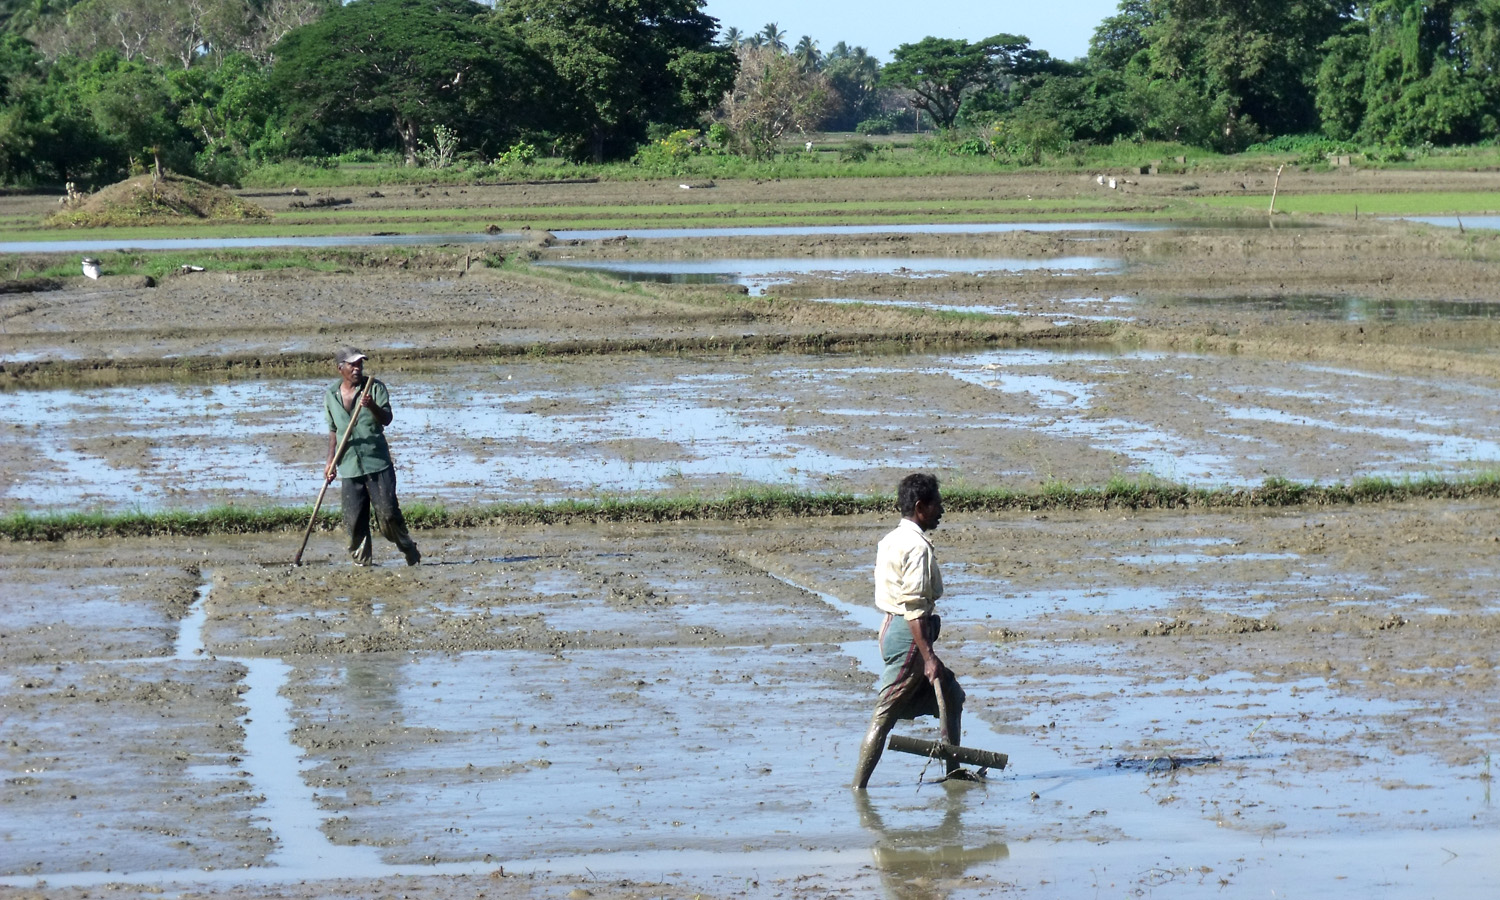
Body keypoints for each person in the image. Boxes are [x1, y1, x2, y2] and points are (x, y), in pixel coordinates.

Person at [852, 472, 971, 788]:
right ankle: (858, 788)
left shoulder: (890, 539)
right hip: (909, 636)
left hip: (895, 630)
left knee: (951, 695)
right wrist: (928, 655)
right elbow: (914, 607)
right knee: (885, 713)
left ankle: (953, 771)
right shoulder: (916, 547)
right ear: (921, 507)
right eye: (938, 505)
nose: (942, 510)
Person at [323, 346, 421, 567]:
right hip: (349, 465)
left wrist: (372, 405)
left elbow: (386, 418)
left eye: (360, 364)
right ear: (341, 368)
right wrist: (331, 462)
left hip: (377, 463)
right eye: (352, 365)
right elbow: (333, 431)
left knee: (387, 515)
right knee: (354, 521)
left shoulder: (374, 388)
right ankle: (362, 565)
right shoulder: (331, 395)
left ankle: (408, 549)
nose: (357, 369)